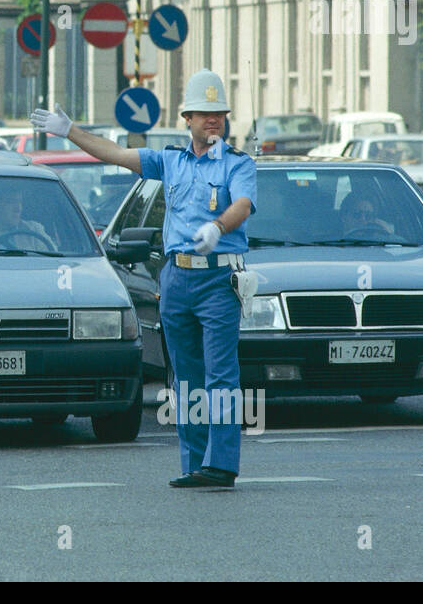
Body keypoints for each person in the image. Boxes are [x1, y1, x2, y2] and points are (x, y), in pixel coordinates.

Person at [32, 69, 256, 489]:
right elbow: (115, 153)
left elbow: (242, 203)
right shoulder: (169, 160)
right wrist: (70, 131)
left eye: (219, 114)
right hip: (176, 278)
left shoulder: (237, 163)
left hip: (217, 279)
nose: (213, 121)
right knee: (185, 376)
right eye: (204, 114)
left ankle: (221, 463)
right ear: (186, 118)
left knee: (221, 375)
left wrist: (219, 227)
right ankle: (195, 463)